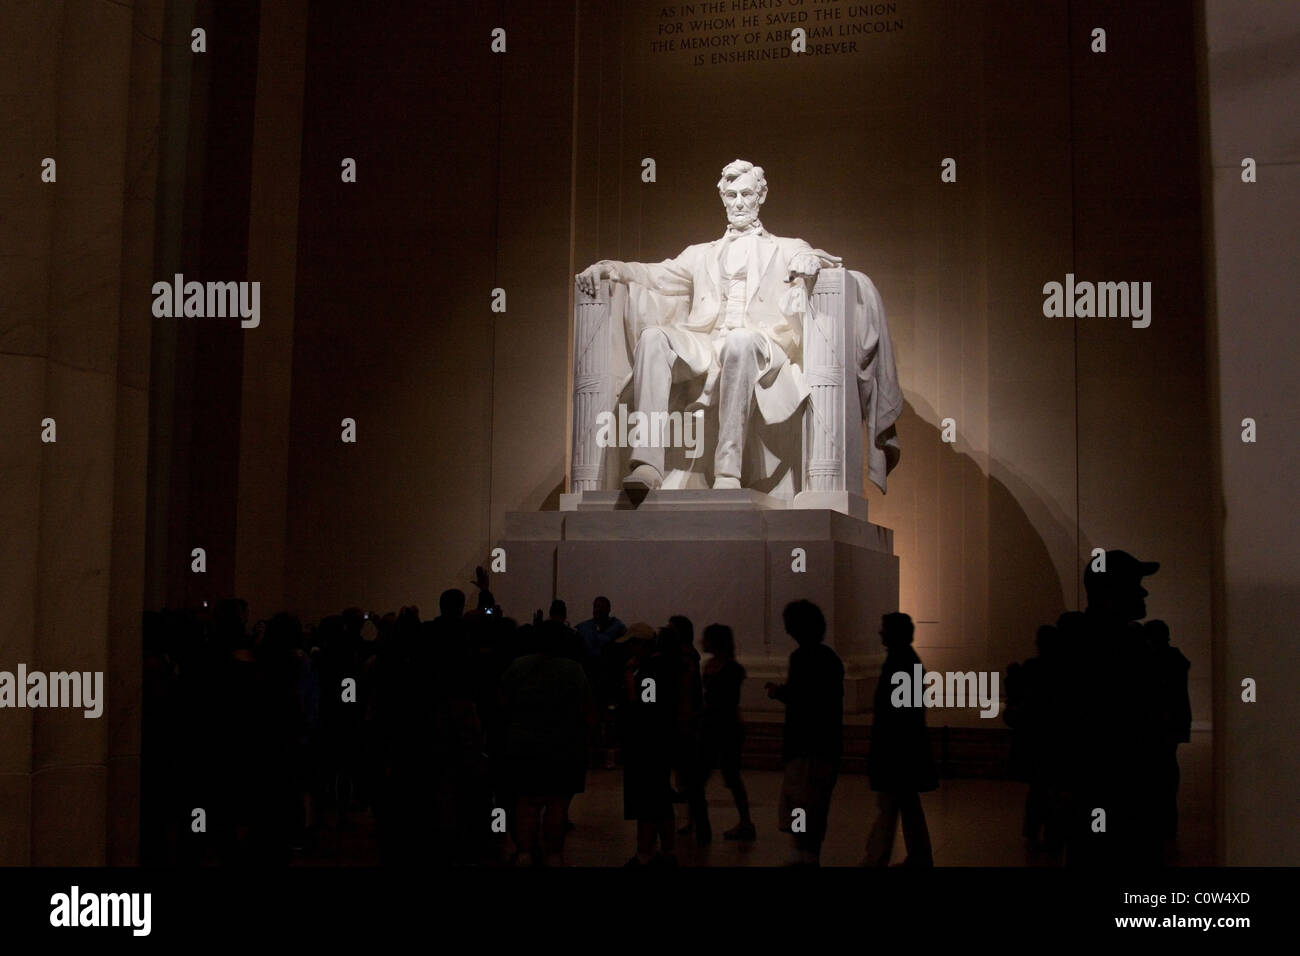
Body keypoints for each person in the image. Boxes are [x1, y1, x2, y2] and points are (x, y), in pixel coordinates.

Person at [576, 159, 843, 491]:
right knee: (654, 338)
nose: (739, 202)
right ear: (723, 199)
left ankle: (728, 470)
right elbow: (657, 274)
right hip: (708, 339)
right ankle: (647, 464)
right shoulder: (700, 253)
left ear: (761, 196)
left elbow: (819, 257)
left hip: (759, 343)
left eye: (747, 194)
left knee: (741, 341)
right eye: (731, 195)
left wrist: (810, 260)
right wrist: (612, 268)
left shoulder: (787, 247)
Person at [500, 622, 597, 866]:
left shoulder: (518, 666)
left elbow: (502, 703)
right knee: (557, 802)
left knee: (526, 801)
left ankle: (524, 853)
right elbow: (587, 711)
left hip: (523, 744)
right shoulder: (573, 669)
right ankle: (554, 853)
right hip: (563, 745)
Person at [767, 600, 843, 866]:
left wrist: (780, 693)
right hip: (827, 744)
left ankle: (800, 854)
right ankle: (810, 854)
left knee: (800, 802)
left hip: (804, 743)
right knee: (815, 805)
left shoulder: (801, 658)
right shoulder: (831, 659)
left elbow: (802, 699)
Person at [863, 612, 937, 866]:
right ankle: (919, 855)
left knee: (891, 806)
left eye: (884, 629)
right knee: (906, 804)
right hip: (905, 747)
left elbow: (895, 714)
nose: (880, 633)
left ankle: (878, 858)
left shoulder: (899, 662)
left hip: (896, 749)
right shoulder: (907, 661)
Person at [618, 623, 681, 865]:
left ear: (642, 644)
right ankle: (667, 850)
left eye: (633, 644)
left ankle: (644, 852)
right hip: (660, 743)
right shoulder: (665, 668)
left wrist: (629, 682)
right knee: (661, 800)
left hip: (646, 745)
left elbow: (644, 708)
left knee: (646, 802)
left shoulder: (649, 673)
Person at [698, 623, 754, 840]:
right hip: (718, 725)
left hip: (725, 727)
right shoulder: (718, 666)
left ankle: (743, 822)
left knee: (728, 776)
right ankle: (742, 821)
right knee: (725, 777)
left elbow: (725, 700)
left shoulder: (729, 668)